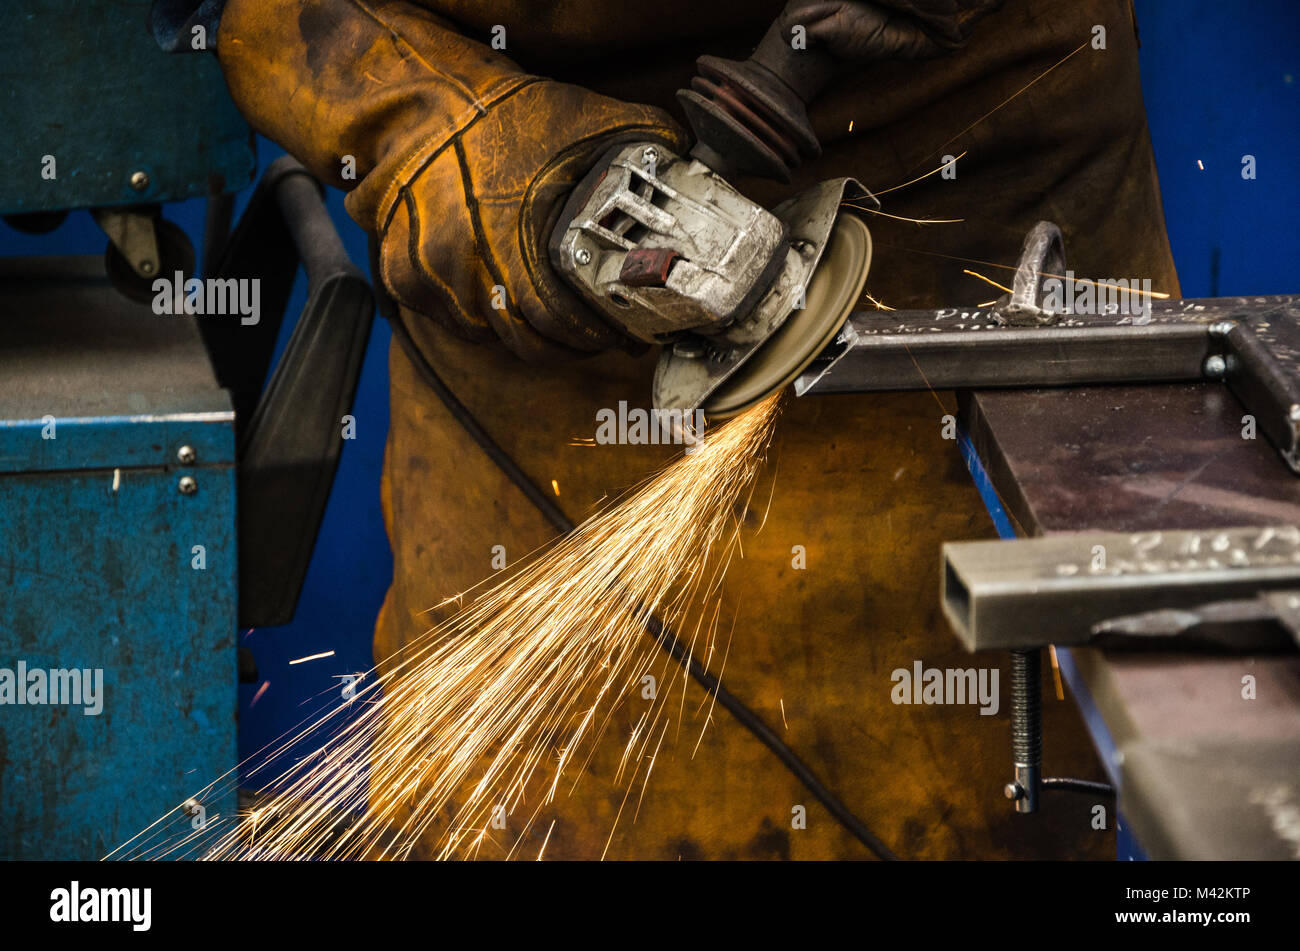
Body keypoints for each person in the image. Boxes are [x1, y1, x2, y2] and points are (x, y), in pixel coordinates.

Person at [169, 0, 1178, 858]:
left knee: (976, 781)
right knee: (524, 799)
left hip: (960, 208)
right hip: (521, 334)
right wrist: (480, 155)